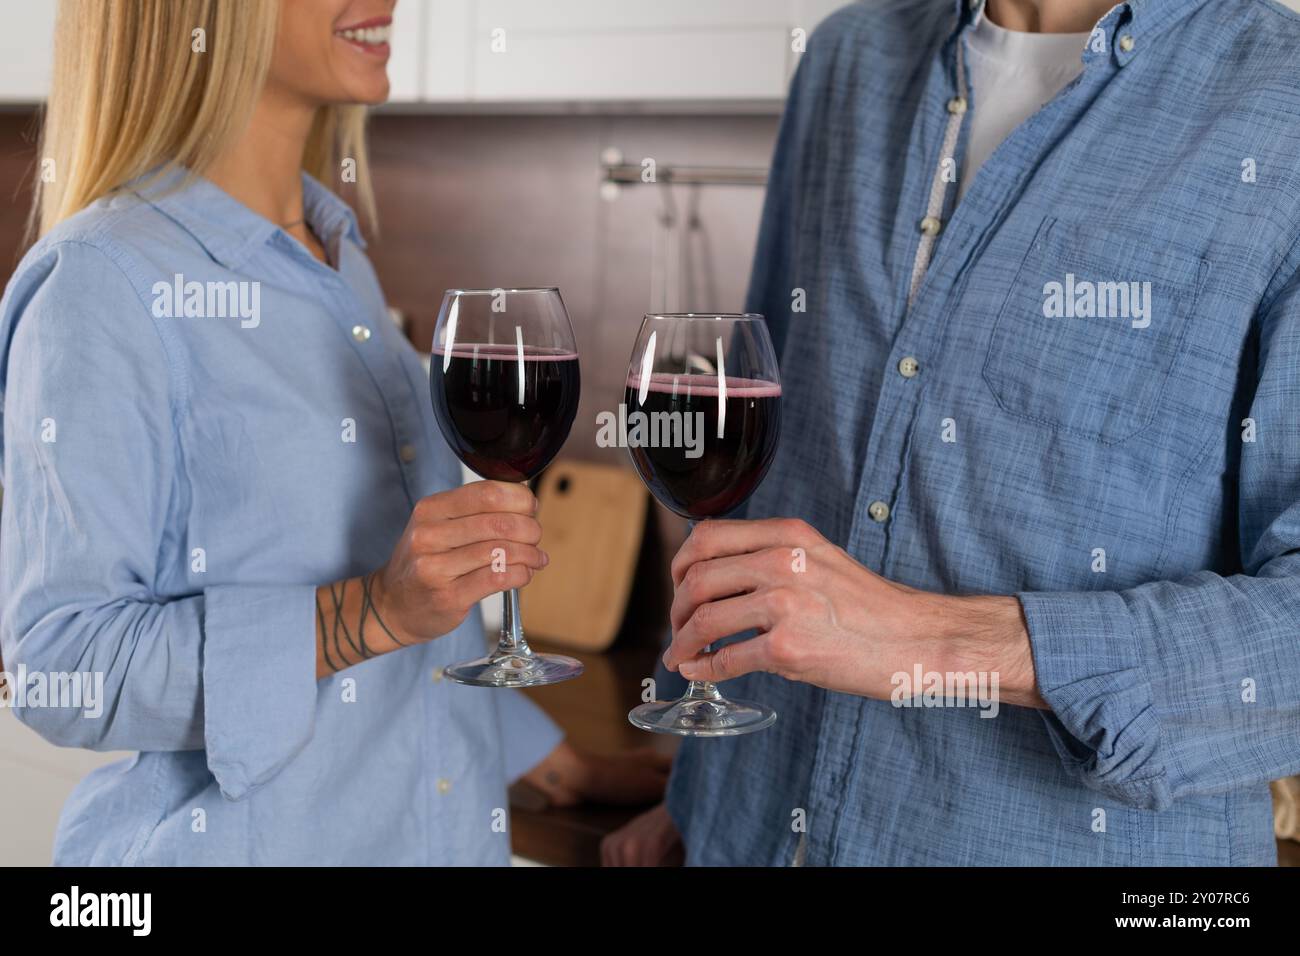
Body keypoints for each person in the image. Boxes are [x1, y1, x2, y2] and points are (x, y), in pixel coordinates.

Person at [604, 0, 1300, 866]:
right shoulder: (846, 59)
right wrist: (695, 783)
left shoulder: (1283, 99)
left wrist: (929, 638)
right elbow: (764, 436)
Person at [0, 0, 666, 866]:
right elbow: (60, 666)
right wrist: (367, 614)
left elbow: (407, 655)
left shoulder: (334, 254)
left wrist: (553, 764)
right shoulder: (104, 283)